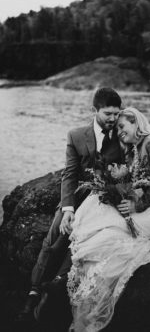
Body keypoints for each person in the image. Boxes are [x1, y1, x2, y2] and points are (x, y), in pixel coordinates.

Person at [66, 106, 150, 331]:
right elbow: (139, 179)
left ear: (135, 121)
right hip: (149, 201)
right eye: (117, 128)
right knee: (101, 211)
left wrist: (137, 205)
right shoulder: (136, 148)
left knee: (115, 234)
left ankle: (93, 299)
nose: (119, 131)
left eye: (122, 126)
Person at [19, 87, 123, 320]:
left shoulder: (123, 134)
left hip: (105, 199)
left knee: (79, 240)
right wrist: (67, 209)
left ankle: (57, 286)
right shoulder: (76, 135)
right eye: (108, 114)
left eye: (117, 113)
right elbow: (70, 174)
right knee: (56, 233)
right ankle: (33, 292)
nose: (114, 119)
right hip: (78, 196)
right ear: (94, 110)